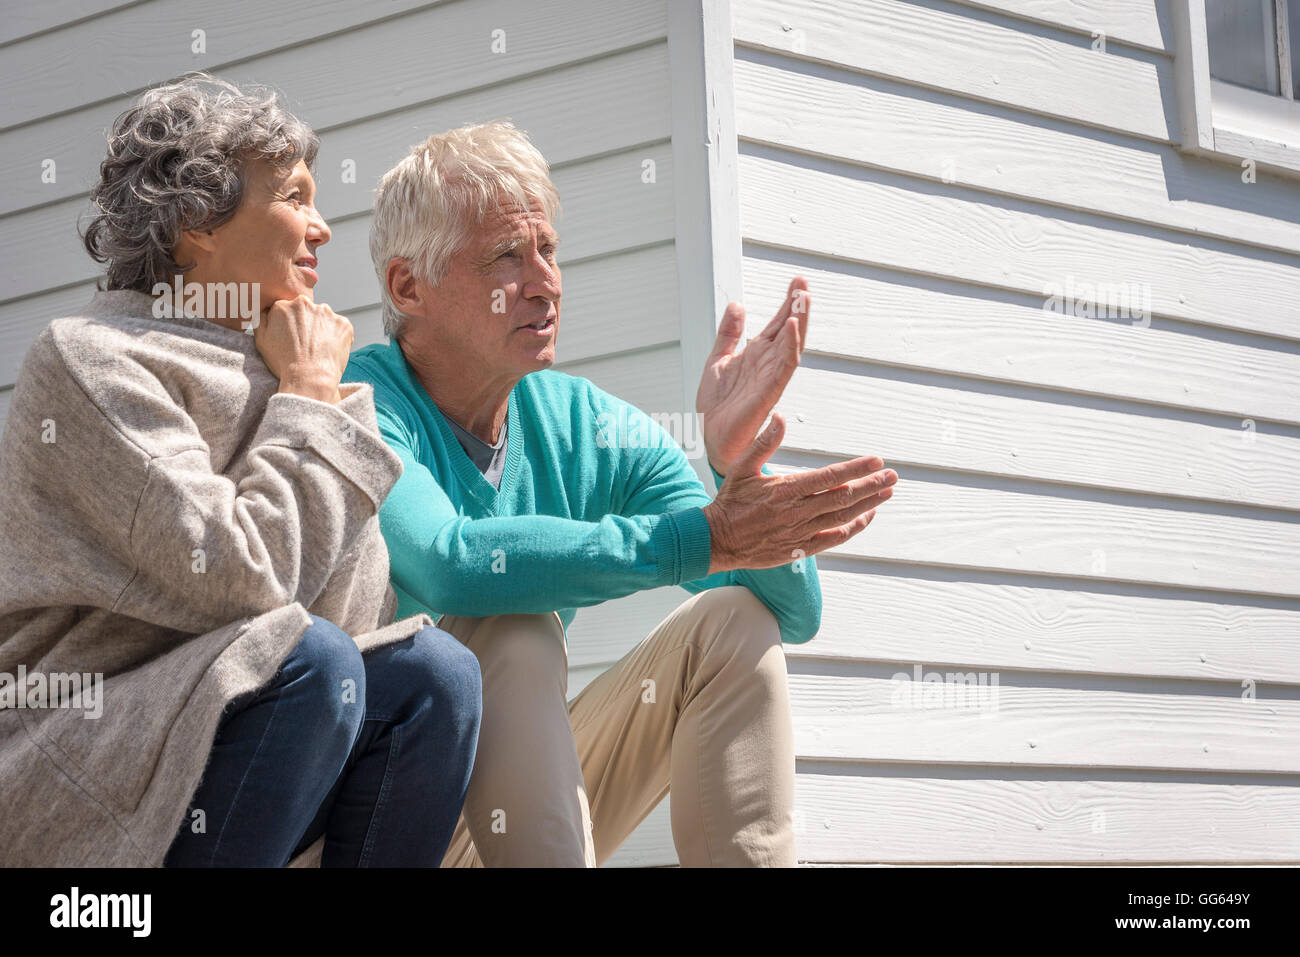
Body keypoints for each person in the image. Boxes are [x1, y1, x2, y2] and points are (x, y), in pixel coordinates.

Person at [343, 120, 899, 867]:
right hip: (382, 833)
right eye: (508, 255)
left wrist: (738, 472)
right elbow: (453, 564)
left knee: (730, 621)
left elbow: (793, 611)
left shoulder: (581, 420)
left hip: (511, 833)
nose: (545, 281)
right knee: (514, 627)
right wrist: (699, 536)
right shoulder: (360, 399)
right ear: (409, 286)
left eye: (548, 249)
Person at [0, 74, 482, 867]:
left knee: (435, 674)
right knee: (311, 661)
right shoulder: (93, 360)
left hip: (223, 742)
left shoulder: (297, 371)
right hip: (81, 774)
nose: (322, 227)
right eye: (294, 196)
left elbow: (348, 610)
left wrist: (313, 396)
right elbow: (244, 576)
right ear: (197, 223)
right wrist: (309, 403)